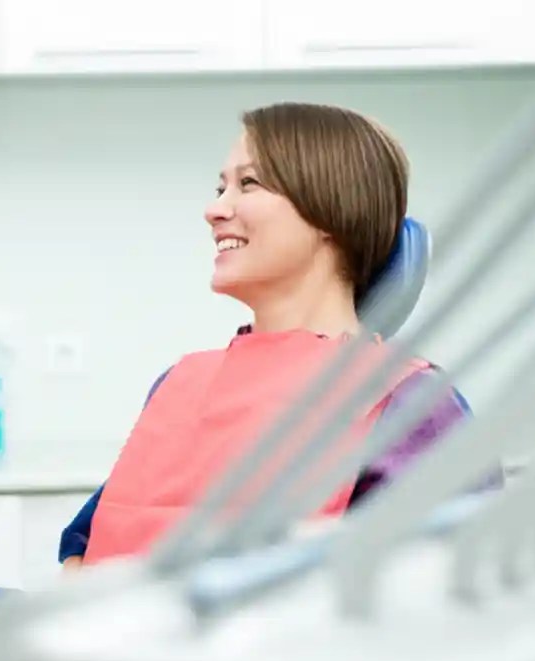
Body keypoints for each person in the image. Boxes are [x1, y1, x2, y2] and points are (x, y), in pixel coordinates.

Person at [61, 102, 499, 567]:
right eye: (220, 188)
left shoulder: (410, 401)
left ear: (330, 208)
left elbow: (451, 583)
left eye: (248, 183)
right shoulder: (179, 382)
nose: (214, 210)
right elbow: (86, 544)